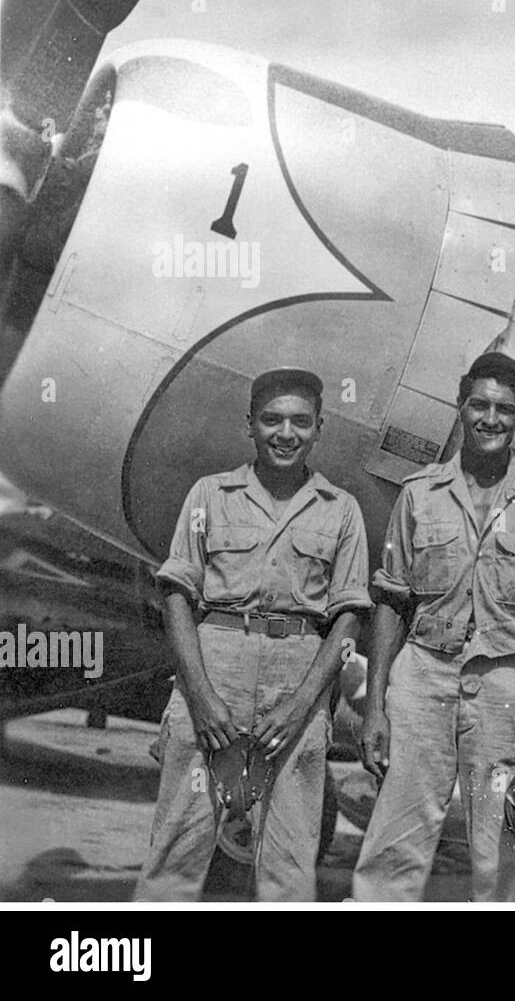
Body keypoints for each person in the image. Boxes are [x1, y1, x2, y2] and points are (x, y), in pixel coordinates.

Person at [352, 352, 515, 902]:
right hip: (424, 676)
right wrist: (377, 702)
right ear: (460, 409)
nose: (490, 419)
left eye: (505, 409)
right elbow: (390, 598)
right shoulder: (419, 493)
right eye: (479, 405)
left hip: (508, 683)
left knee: (503, 847)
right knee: (394, 841)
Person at [136, 367, 371, 901]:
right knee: (175, 855)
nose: (285, 434)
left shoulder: (342, 511)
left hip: (299, 683)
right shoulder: (209, 496)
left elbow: (348, 617)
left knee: (289, 870)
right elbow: (177, 594)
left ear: (319, 429)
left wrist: (301, 708)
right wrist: (199, 696)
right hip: (214, 672)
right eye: (271, 420)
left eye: (300, 422)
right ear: (250, 425)